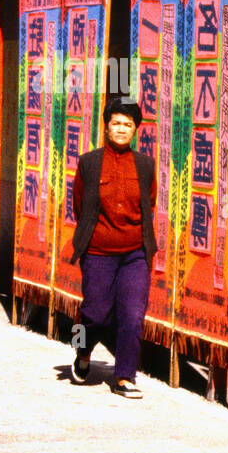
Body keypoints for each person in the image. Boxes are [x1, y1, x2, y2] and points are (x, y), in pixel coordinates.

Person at [69, 96, 157, 399]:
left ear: (135, 130)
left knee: (132, 315)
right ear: (107, 126)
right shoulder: (89, 162)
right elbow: (80, 206)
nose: (121, 129)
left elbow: (150, 203)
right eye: (116, 123)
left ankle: (124, 377)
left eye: (128, 125)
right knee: (95, 314)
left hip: (135, 253)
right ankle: (81, 349)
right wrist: (95, 236)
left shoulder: (145, 165)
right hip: (98, 252)